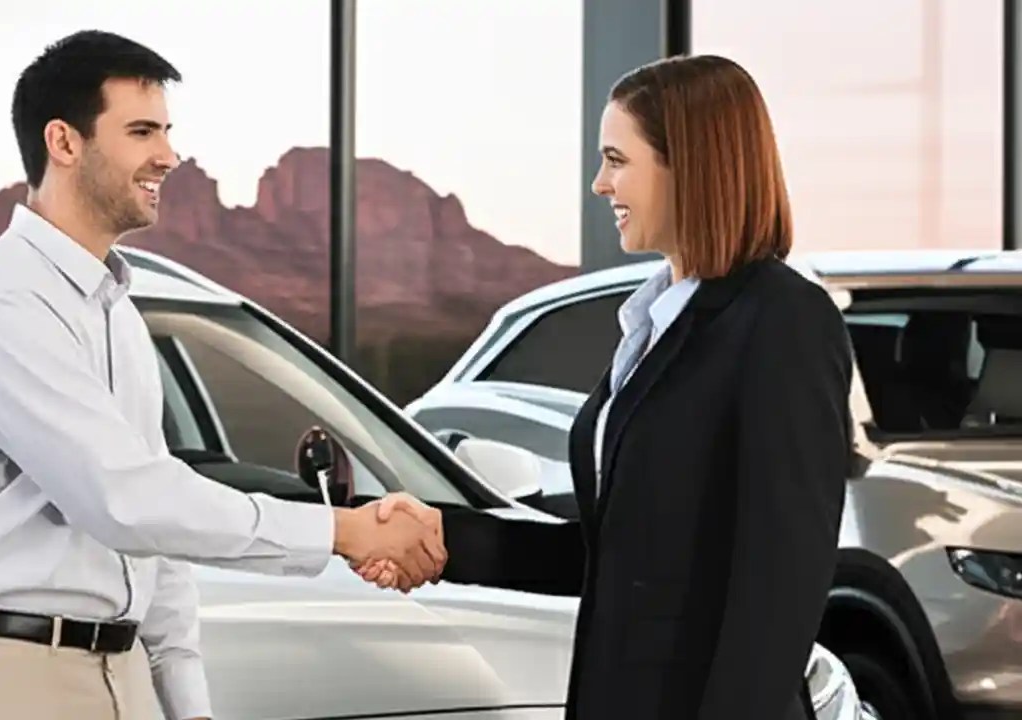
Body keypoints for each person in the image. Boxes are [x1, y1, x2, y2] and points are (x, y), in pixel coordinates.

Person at [0, 30, 444, 720]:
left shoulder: (116, 311)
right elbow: (125, 500)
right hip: (13, 679)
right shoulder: (4, 303)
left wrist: (188, 706)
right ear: (64, 142)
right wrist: (344, 530)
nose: (168, 155)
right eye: (141, 131)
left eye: (165, 130)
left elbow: (155, 545)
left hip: (116, 672)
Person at [359, 54, 853, 720]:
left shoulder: (782, 320)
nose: (599, 184)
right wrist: (444, 536)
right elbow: (612, 556)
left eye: (617, 159)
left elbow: (779, 590)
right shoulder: (652, 326)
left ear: (690, 164)